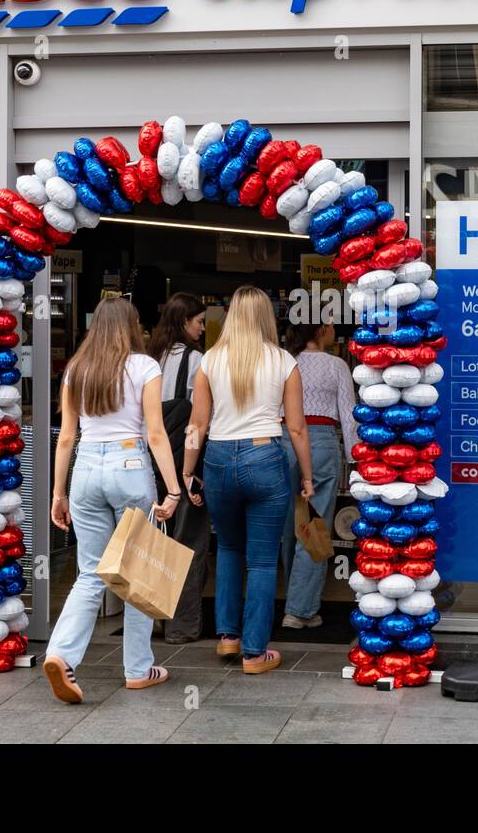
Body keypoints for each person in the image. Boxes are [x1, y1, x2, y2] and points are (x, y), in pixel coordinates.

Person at [43, 297, 183, 704]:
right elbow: (156, 433)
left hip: (85, 467)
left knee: (90, 574)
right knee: (136, 573)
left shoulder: (75, 370)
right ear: (133, 326)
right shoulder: (145, 367)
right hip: (128, 464)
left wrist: (58, 493)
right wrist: (173, 489)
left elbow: (65, 436)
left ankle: (60, 654)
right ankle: (138, 669)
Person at [182, 286, 313, 674]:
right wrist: (307, 476)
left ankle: (228, 638)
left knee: (227, 550)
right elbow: (298, 428)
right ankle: (255, 653)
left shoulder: (210, 360)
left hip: (218, 460)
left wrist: (189, 471)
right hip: (266, 459)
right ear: (266, 317)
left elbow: (197, 425)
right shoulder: (283, 360)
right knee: (261, 561)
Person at [279, 320, 357, 629]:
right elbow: (349, 416)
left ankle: (291, 598)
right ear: (321, 330)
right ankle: (300, 609)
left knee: (288, 526)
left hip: (285, 440)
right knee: (314, 525)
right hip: (322, 441)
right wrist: (354, 459)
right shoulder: (337, 365)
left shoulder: (285, 363)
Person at [147, 292, 208, 645]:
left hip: (150, 462)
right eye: (199, 321)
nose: (202, 327)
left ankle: (149, 620)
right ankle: (181, 627)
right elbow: (196, 423)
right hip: (182, 463)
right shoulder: (197, 360)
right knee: (187, 544)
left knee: (151, 544)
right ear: (184, 322)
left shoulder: (148, 358)